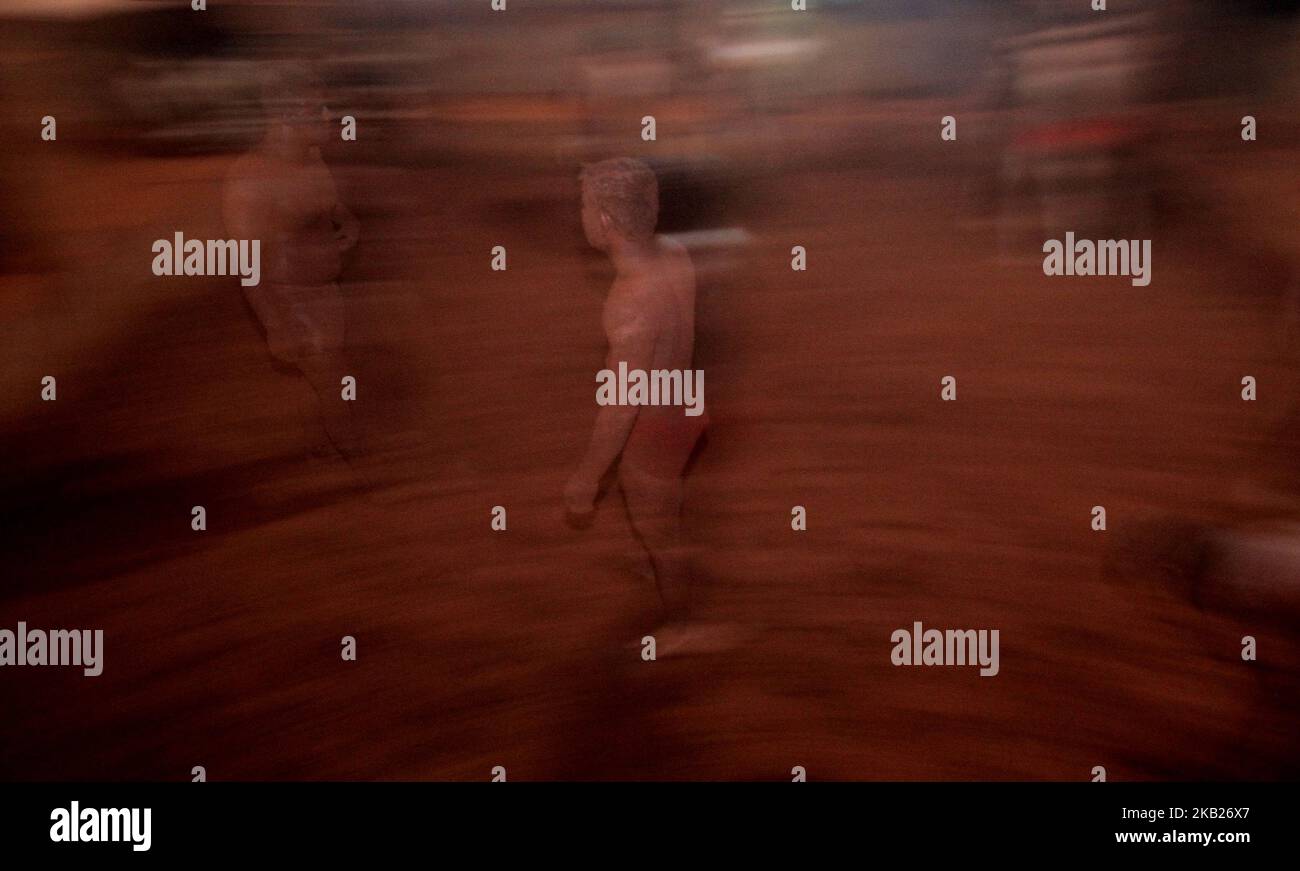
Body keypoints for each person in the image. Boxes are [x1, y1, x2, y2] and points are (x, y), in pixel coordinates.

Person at [565, 157, 707, 628]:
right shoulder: (675, 254)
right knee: (656, 511)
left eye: (585, 205)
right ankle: (655, 563)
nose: (581, 214)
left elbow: (621, 406)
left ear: (604, 220)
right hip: (685, 399)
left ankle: (684, 628)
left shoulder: (629, 302)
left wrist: (587, 476)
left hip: (654, 425)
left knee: (662, 531)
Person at [222, 61, 362, 463]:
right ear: (285, 115)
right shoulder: (251, 178)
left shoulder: (312, 157)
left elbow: (333, 207)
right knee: (334, 381)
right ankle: (362, 475)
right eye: (317, 108)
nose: (329, 117)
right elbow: (247, 262)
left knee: (332, 382)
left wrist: (347, 224)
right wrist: (276, 322)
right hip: (295, 302)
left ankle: (337, 445)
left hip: (327, 293)